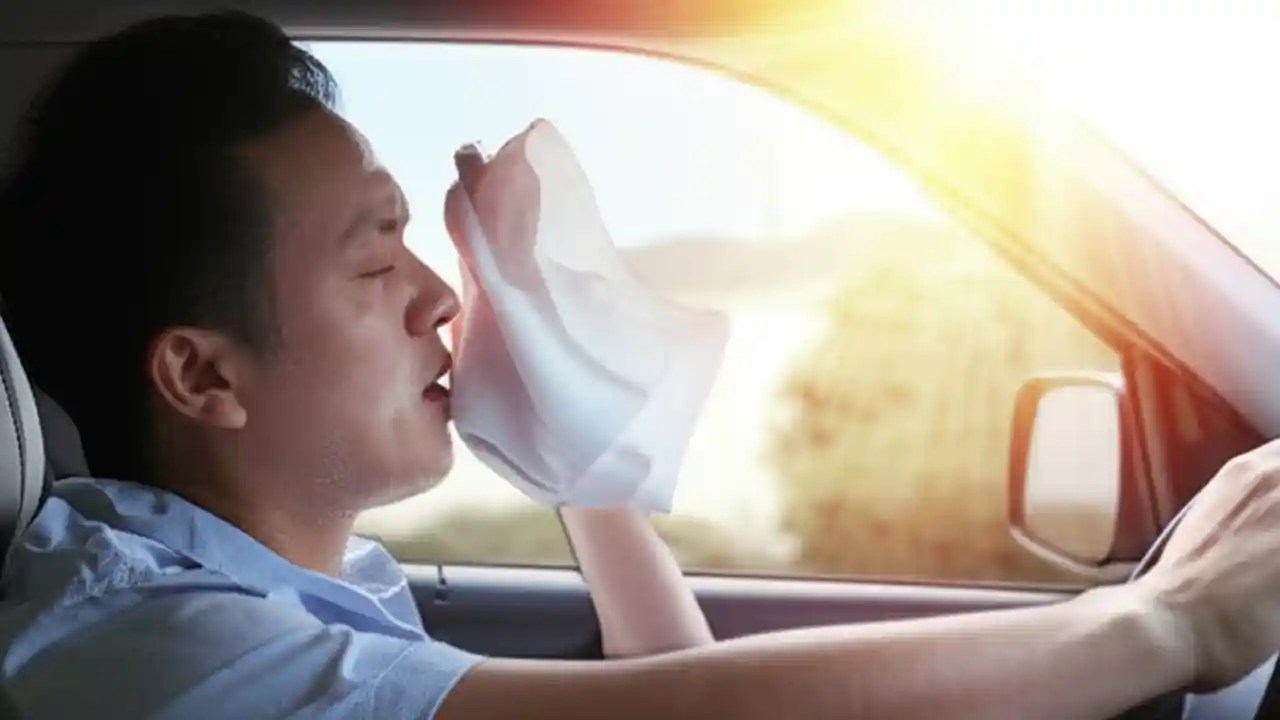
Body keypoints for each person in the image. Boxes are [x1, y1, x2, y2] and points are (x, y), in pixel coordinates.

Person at [1, 11, 1280, 720]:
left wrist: (576, 444)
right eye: (377, 261)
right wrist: (1155, 622)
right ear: (201, 377)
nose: (443, 299)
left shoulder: (293, 587)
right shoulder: (156, 653)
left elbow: (669, 679)